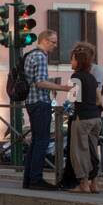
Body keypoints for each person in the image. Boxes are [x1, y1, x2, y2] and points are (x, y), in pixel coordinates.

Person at [23, 30, 69, 190]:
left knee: (36, 141)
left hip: (30, 101)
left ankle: (28, 179)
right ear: (44, 40)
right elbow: (40, 82)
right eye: (53, 42)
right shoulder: (41, 57)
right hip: (40, 102)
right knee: (41, 141)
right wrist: (62, 87)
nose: (55, 45)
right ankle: (36, 179)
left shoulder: (30, 55)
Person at [65, 42, 103, 194]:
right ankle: (95, 183)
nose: (71, 62)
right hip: (96, 118)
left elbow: (72, 99)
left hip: (82, 118)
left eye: (73, 59)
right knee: (94, 150)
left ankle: (83, 184)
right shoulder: (92, 78)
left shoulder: (75, 77)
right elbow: (99, 100)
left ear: (79, 61)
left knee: (80, 151)